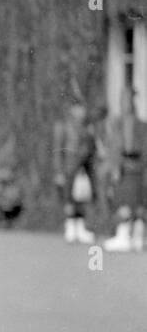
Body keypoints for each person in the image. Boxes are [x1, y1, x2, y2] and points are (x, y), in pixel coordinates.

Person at [52, 101, 99, 244]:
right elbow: (58, 149)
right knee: (69, 199)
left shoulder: (88, 127)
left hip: (83, 169)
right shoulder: (63, 126)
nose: (82, 112)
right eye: (79, 109)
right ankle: (70, 227)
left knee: (81, 198)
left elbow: (92, 148)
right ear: (73, 109)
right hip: (69, 167)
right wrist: (59, 171)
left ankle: (80, 228)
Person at [102, 89, 143, 252]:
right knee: (123, 201)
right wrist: (114, 166)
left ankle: (135, 237)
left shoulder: (140, 125)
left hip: (134, 168)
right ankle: (125, 235)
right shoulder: (117, 123)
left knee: (134, 202)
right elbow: (114, 147)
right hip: (124, 167)